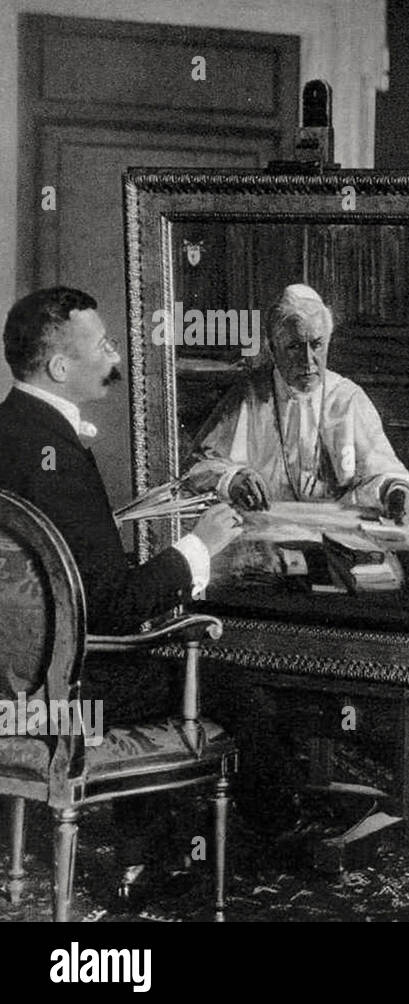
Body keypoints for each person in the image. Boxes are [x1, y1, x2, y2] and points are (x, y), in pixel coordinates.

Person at [0, 286, 244, 909]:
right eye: (104, 345)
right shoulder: (56, 456)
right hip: (64, 706)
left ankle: (142, 857)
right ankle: (186, 865)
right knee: (240, 692)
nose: (115, 356)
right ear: (59, 368)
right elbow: (112, 607)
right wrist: (198, 546)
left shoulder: (13, 432)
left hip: (10, 697)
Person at [183, 283, 409, 524]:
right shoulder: (249, 395)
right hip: (264, 532)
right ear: (273, 348)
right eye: (295, 347)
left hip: (340, 533)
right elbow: (198, 467)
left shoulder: (348, 398)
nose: (308, 361)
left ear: (327, 342)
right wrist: (232, 478)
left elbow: (385, 471)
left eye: (316, 345)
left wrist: (397, 491)